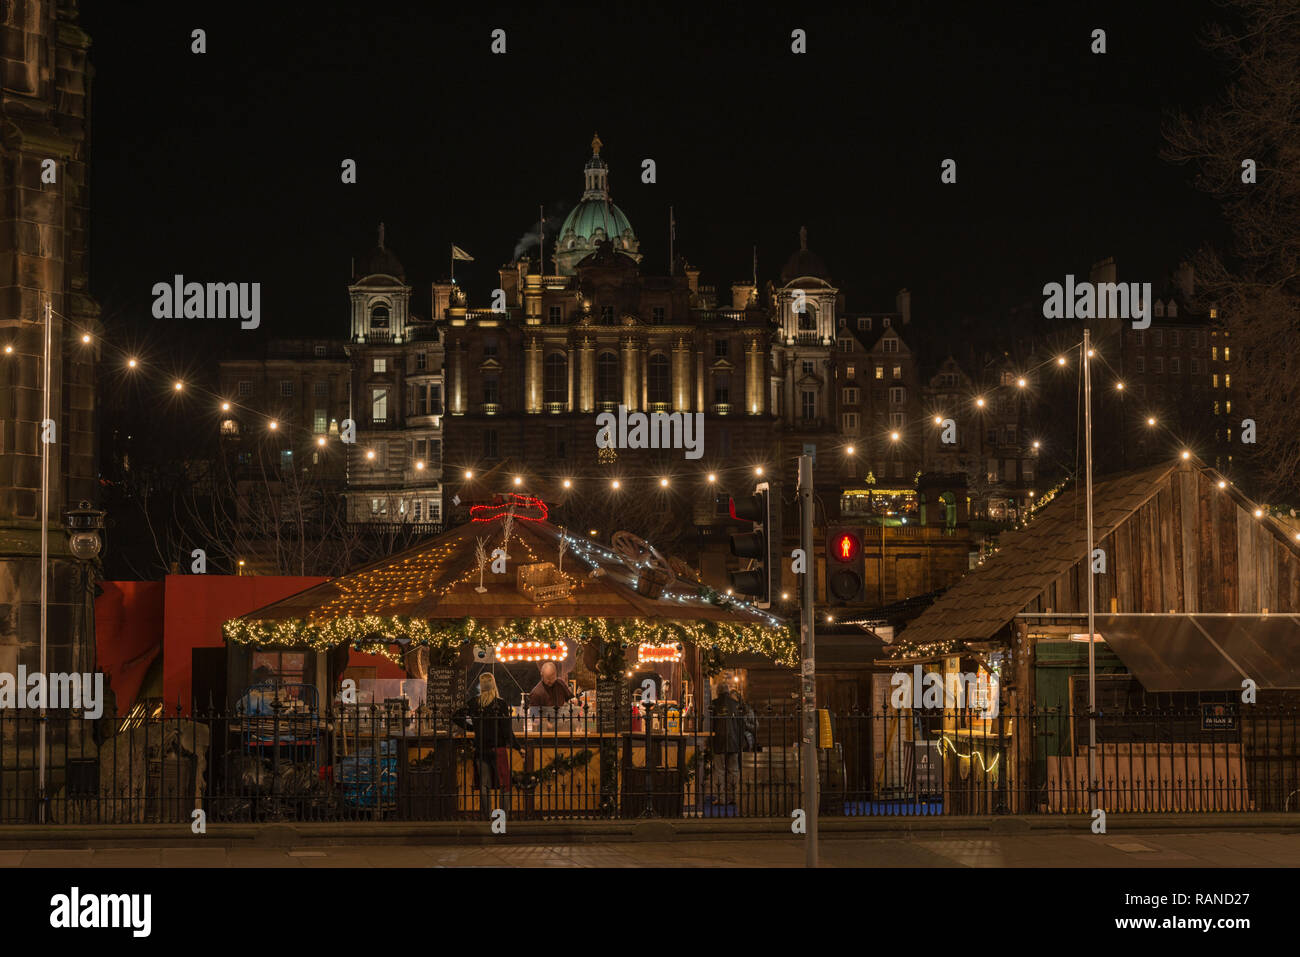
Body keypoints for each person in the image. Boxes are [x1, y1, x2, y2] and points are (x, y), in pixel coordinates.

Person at [452, 673, 524, 820]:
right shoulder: (500, 704)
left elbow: (456, 716)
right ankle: (502, 817)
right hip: (498, 749)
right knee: (505, 783)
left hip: (481, 749)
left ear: (481, 685)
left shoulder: (474, 703)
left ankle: (487, 817)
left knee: (485, 784)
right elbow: (507, 731)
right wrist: (518, 747)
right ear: (493, 684)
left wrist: (472, 728)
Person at [709, 681, 748, 808]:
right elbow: (742, 725)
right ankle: (734, 797)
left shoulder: (713, 705)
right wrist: (741, 741)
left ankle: (721, 798)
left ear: (718, 691)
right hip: (734, 741)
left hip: (718, 741)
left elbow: (710, 725)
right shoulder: (736, 704)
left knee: (719, 770)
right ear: (727, 691)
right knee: (734, 770)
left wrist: (709, 741)